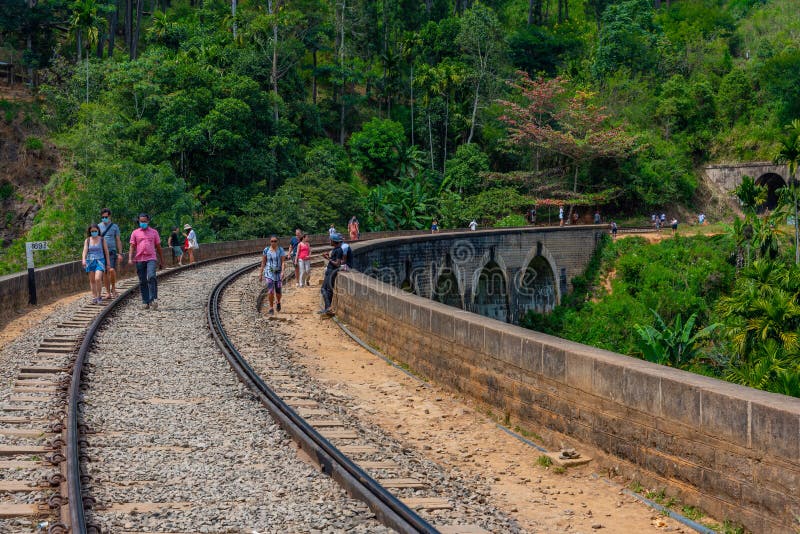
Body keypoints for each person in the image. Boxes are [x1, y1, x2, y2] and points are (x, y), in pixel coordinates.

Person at [129, 213, 164, 310]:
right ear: (139, 221)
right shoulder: (135, 233)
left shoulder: (154, 232)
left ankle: (153, 299)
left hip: (151, 258)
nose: (143, 223)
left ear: (148, 221)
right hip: (139, 259)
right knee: (142, 281)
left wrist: (162, 259)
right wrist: (130, 258)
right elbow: (132, 246)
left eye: (145, 221)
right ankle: (145, 301)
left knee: (151, 276)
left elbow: (158, 246)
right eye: (141, 221)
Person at [82, 223, 110, 304]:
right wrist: (83, 260)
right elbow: (85, 251)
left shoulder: (102, 239)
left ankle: (99, 295)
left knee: (97, 278)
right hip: (90, 261)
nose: (94, 232)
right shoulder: (87, 240)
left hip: (100, 261)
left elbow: (106, 251)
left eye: (95, 231)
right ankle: (94, 296)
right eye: (92, 231)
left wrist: (108, 263)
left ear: (98, 231)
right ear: (90, 232)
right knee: (92, 280)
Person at [98, 208, 123, 299]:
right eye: (103, 217)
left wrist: (120, 253)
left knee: (111, 270)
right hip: (102, 252)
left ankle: (113, 288)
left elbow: (118, 240)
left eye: (106, 217)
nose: (104, 218)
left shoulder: (114, 226)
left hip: (112, 252)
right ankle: (108, 292)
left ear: (109, 216)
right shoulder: (98, 226)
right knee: (105, 273)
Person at [259, 236, 286, 315]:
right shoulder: (266, 250)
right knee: (270, 290)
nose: (273, 242)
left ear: (277, 241)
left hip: (278, 273)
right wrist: (260, 273)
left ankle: (278, 302)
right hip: (269, 273)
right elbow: (263, 262)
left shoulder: (281, 250)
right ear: (270, 242)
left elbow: (283, 262)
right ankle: (271, 307)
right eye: (272, 241)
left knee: (278, 291)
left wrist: (282, 272)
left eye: (275, 241)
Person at [319, 233, 344, 315]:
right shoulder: (335, 249)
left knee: (325, 289)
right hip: (330, 270)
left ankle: (328, 307)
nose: (330, 242)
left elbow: (337, 264)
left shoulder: (339, 250)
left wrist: (328, 258)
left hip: (332, 271)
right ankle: (327, 309)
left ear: (334, 241)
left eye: (331, 240)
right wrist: (328, 257)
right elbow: (334, 260)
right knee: (326, 289)